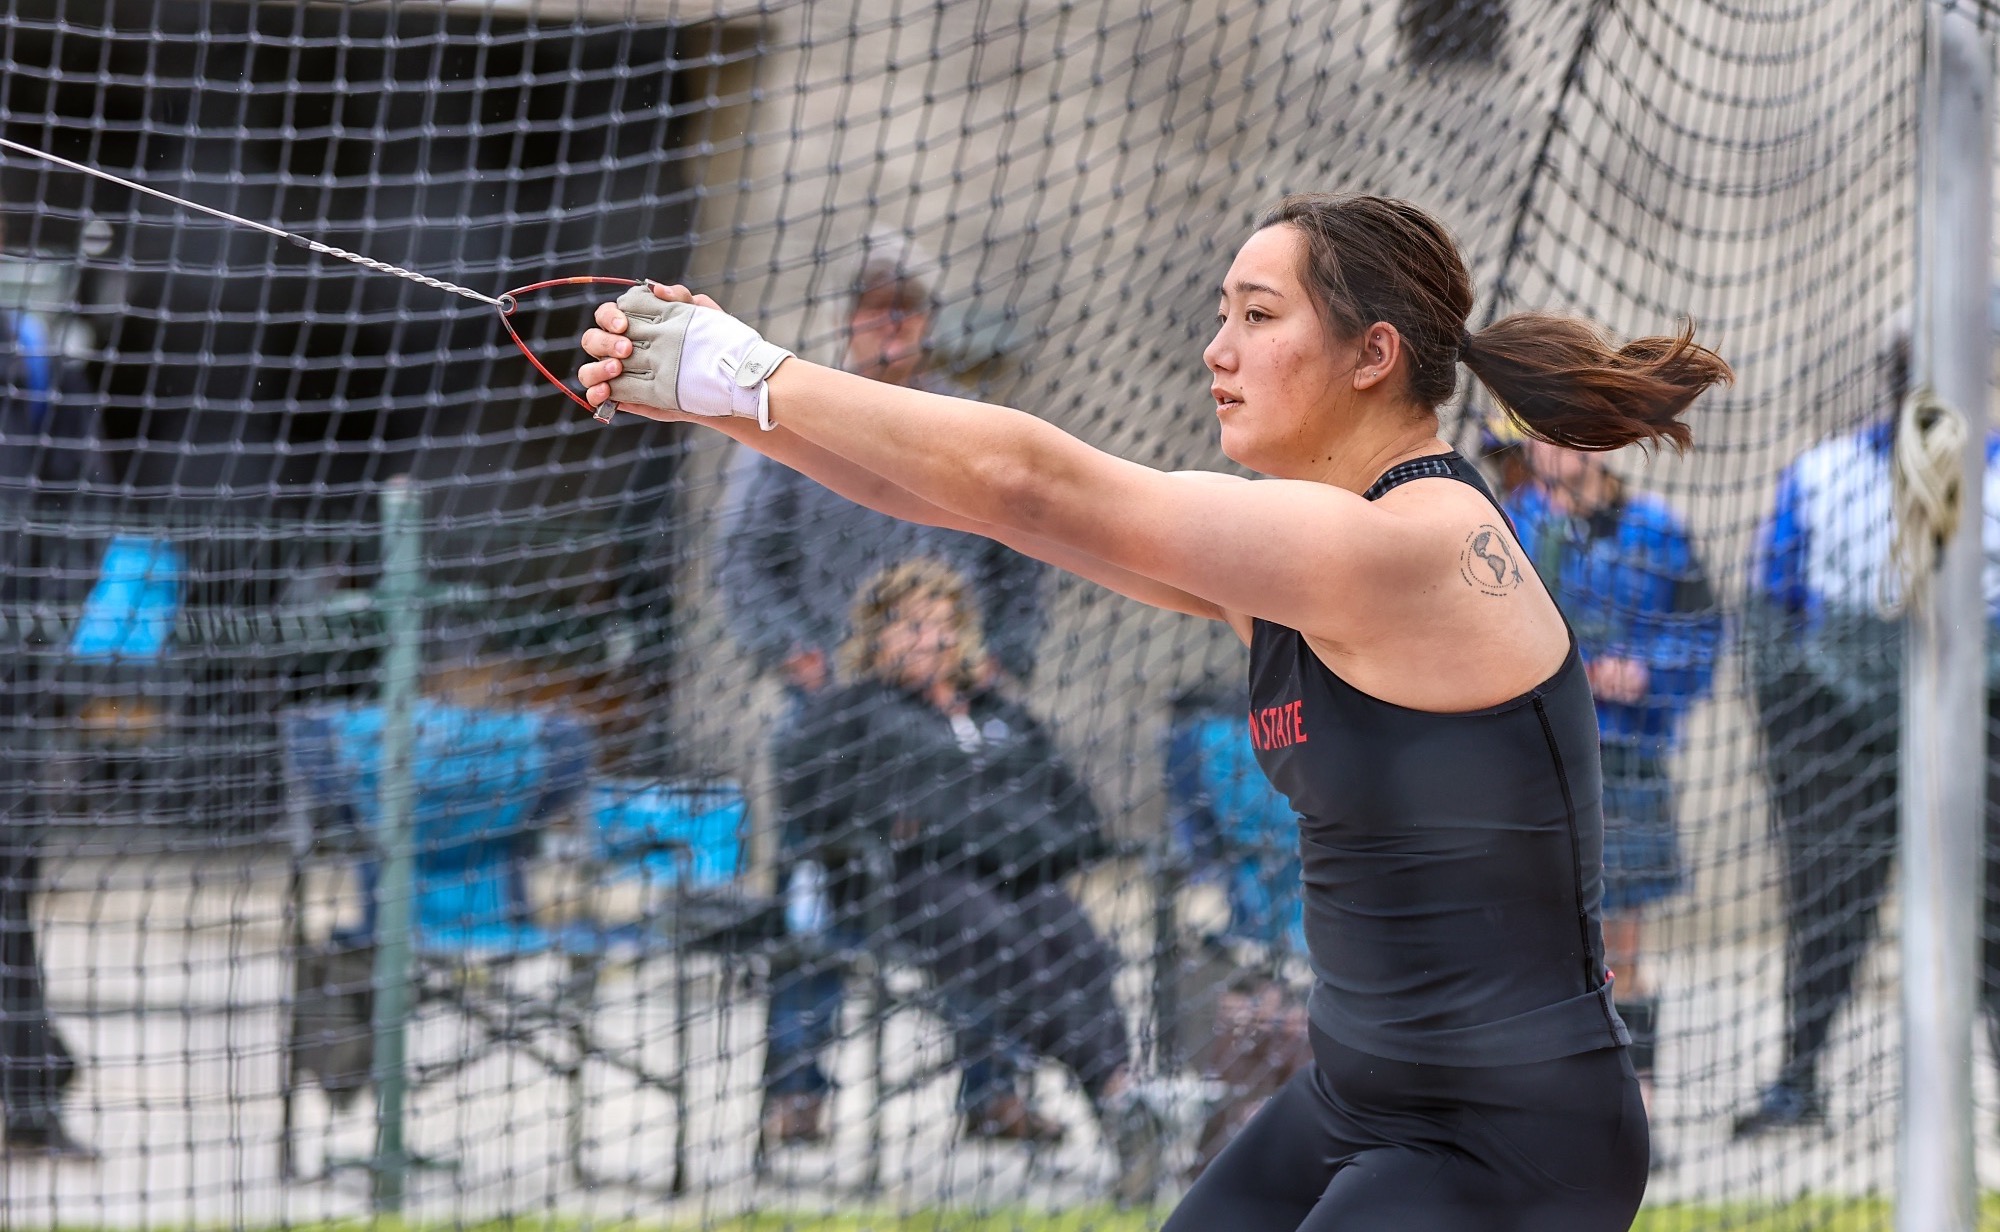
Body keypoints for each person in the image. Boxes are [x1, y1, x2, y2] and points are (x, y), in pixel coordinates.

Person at [579, 192, 1730, 1226]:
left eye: (1256, 316)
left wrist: (749, 367)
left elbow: (1031, 477)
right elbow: (966, 502)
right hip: (1358, 1096)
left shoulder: (1407, 542)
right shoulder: (1303, 555)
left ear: (1372, 352)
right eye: (1219, 313)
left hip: (1508, 1137)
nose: (1214, 349)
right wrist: (717, 404)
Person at [714, 237, 1050, 1148]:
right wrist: (796, 655)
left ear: (927, 322)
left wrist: (1000, 657)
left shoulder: (969, 421)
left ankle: (994, 1090)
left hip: (949, 713)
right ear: (849, 321)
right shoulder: (802, 419)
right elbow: (743, 560)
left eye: (903, 309)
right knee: (815, 892)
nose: (888, 325)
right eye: (873, 309)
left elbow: (1025, 552)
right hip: (837, 719)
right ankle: (797, 1090)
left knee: (985, 884)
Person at [772, 556, 1129, 1160]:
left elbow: (1069, 805)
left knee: (1080, 947)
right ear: (876, 636)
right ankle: (1115, 1086)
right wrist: (938, 824)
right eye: (911, 625)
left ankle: (1124, 1109)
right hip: (904, 886)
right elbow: (814, 806)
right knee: (1002, 942)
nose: (930, 639)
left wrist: (1008, 835)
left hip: (1009, 875)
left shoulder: (995, 712)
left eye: (943, 625)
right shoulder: (853, 710)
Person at [1732, 335, 2000, 1137]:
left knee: (1992, 913)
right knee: (1828, 908)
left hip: (1979, 726)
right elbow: (1772, 606)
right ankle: (1797, 1079)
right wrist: (1798, 720)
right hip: (1840, 730)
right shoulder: (1823, 475)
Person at [1496, 437, 1720, 1159]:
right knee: (1531, 939)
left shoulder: (1656, 529)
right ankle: (1543, 1111)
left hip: (1623, 754)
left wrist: (1646, 673)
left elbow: (1704, 635)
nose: (1546, 449)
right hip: (1529, 758)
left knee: (1620, 939)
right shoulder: (1510, 523)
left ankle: (1635, 1110)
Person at [0, 292, 99, 1158]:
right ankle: (36, 1077)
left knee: (6, 882)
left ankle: (33, 1093)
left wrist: (37, 634)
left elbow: (83, 513)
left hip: (11, 678)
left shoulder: (30, 352)